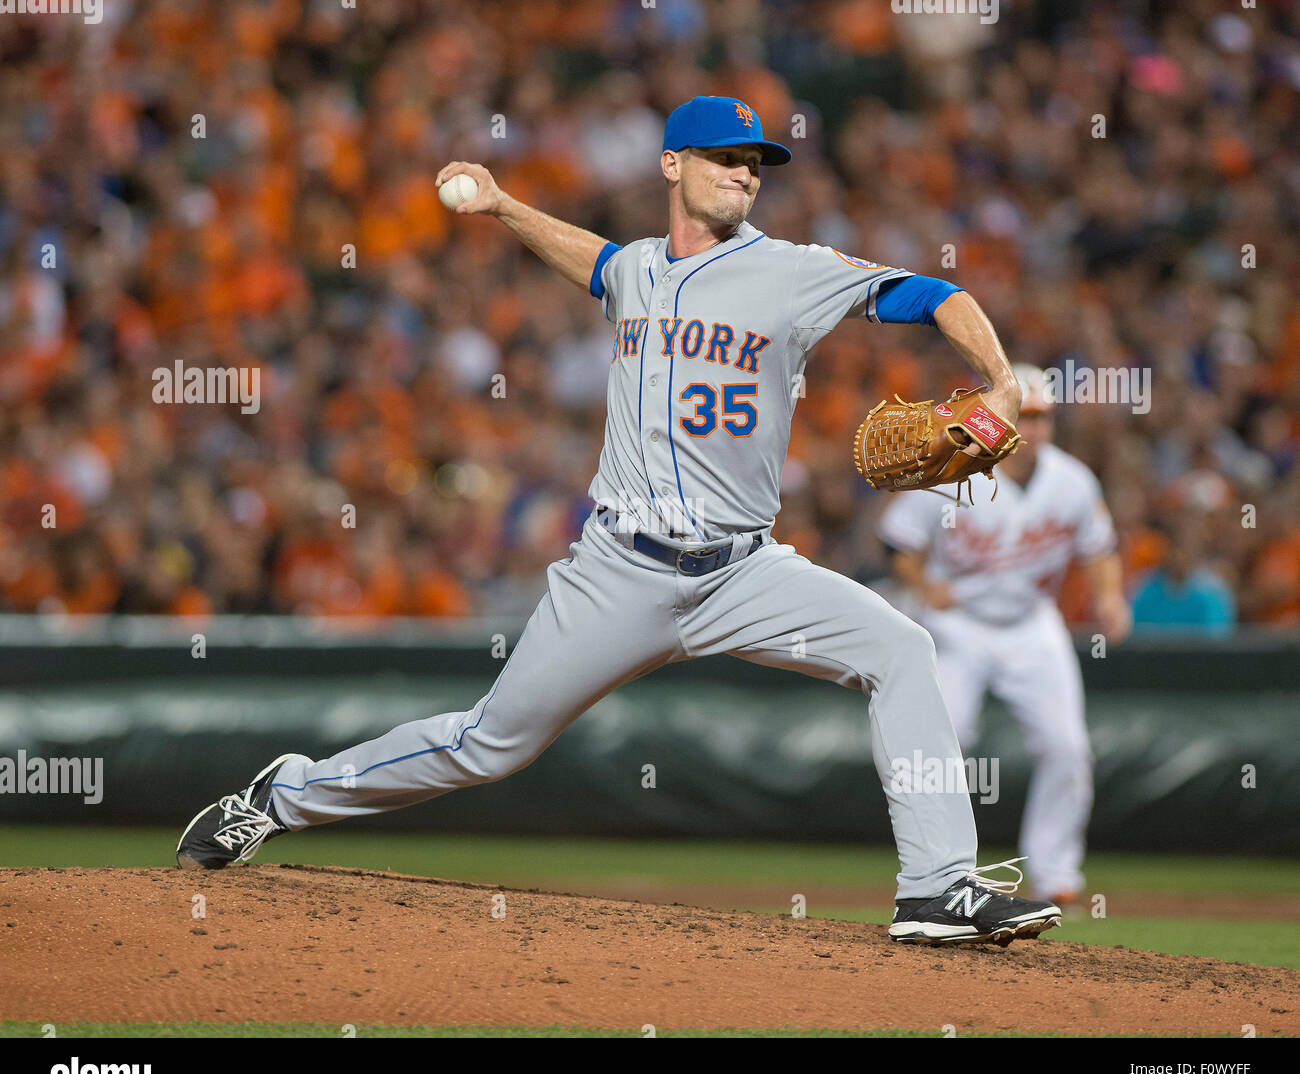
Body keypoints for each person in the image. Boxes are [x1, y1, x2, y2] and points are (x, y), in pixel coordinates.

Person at [177, 97, 1061, 946]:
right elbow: (596, 262)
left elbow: (930, 293)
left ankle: (937, 884)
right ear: (672, 164)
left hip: (743, 572)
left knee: (901, 647)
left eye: (754, 163)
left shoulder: (792, 272)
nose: (743, 175)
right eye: (724, 158)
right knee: (490, 744)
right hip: (617, 573)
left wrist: (1000, 379)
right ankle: (284, 796)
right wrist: (501, 206)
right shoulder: (637, 268)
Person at [877, 365, 1131, 905]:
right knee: (944, 744)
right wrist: (924, 584)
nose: (1032, 428)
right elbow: (897, 545)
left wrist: (1109, 596)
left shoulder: (1073, 482)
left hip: (1031, 626)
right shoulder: (952, 468)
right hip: (957, 628)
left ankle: (1057, 873)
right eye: (1023, 415)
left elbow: (1100, 549)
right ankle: (939, 871)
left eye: (1041, 417)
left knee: (1066, 746)